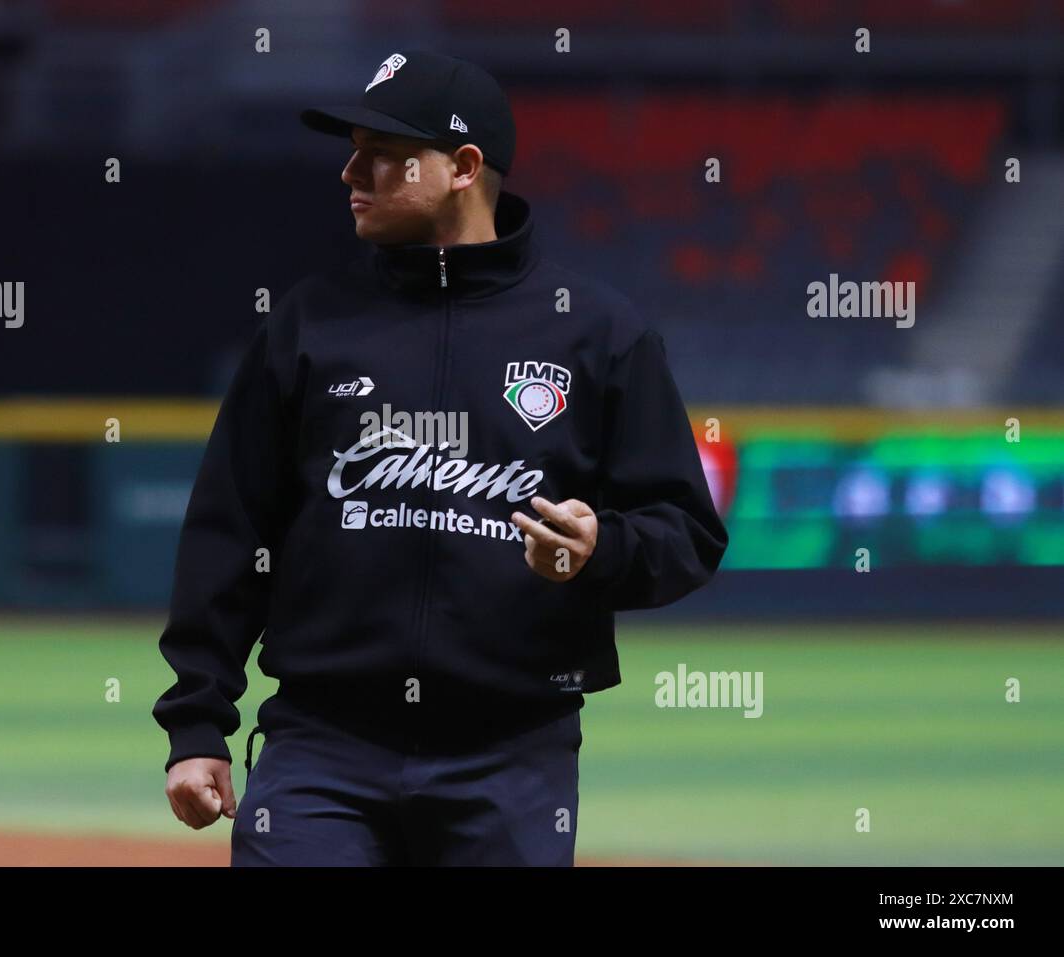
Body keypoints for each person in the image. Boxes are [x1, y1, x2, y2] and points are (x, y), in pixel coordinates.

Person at [153, 50, 728, 866]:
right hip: (323, 745)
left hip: (513, 754)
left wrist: (605, 550)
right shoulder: (310, 324)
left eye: (384, 154)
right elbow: (228, 532)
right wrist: (198, 721)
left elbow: (687, 533)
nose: (352, 171)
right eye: (353, 148)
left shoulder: (598, 335)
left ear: (462, 167)